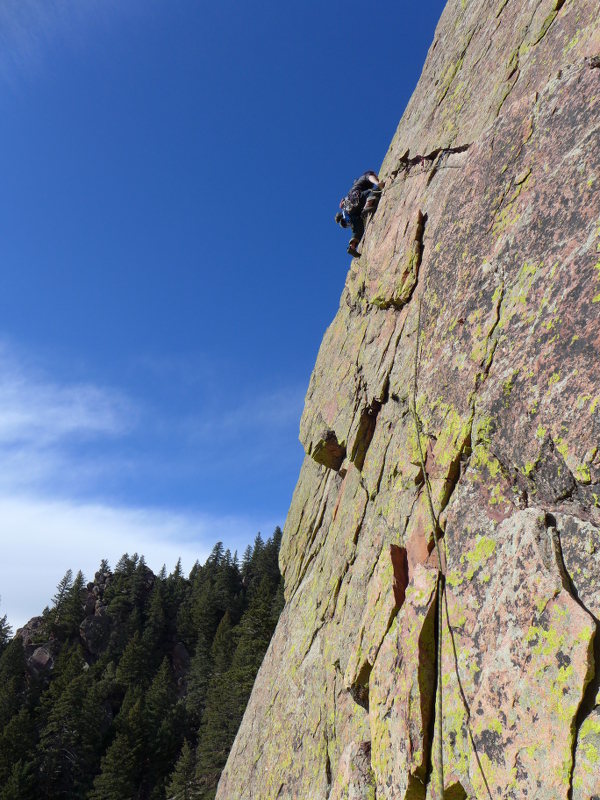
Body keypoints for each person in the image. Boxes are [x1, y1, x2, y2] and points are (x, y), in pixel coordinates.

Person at [335, 171, 384, 258]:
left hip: (351, 211)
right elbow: (369, 177)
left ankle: (352, 247)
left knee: (358, 229)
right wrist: (377, 183)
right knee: (374, 191)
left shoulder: (352, 190)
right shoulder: (364, 178)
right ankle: (368, 204)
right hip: (357, 200)